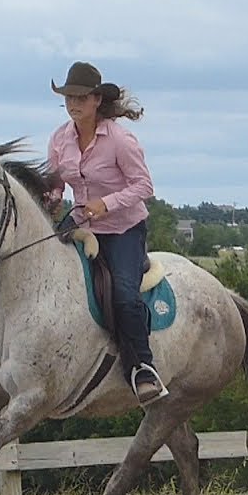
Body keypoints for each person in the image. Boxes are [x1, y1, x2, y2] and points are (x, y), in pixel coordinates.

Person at [44, 61, 168, 404]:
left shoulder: (120, 140)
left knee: (124, 296)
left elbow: (144, 185)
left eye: (80, 97)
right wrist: (52, 199)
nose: (73, 104)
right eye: (68, 98)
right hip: (80, 224)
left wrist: (107, 203)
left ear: (97, 99)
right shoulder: (59, 139)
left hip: (122, 229)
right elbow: (57, 184)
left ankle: (143, 367)